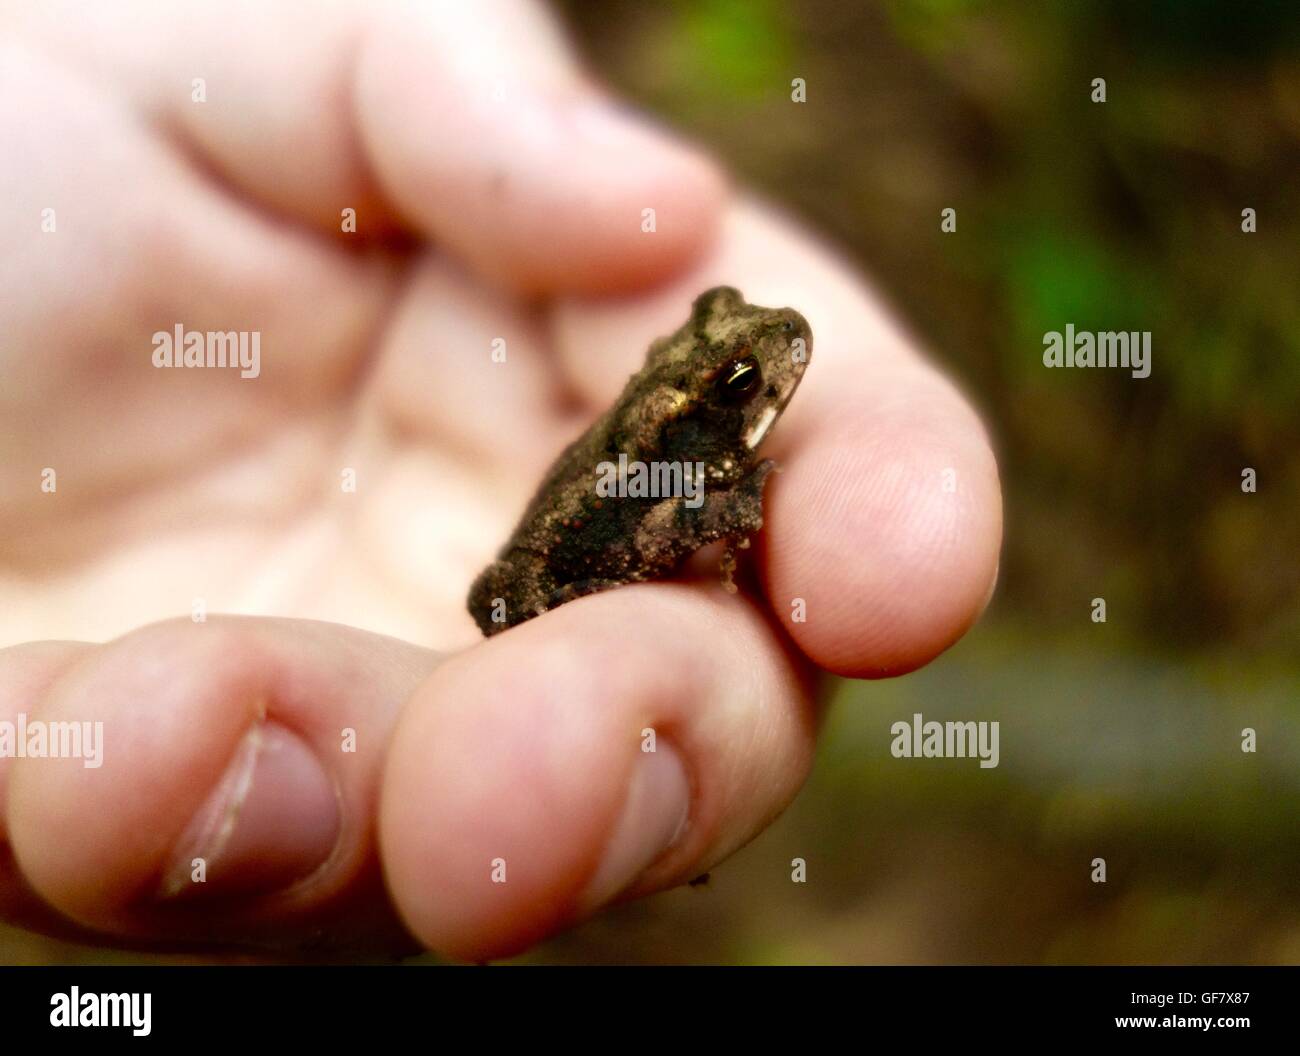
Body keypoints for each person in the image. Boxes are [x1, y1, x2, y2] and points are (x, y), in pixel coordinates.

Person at [0, 0, 1002, 961]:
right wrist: (738, 512)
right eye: (741, 375)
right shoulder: (684, 460)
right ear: (703, 405)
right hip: (553, 569)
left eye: (744, 369)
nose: (774, 356)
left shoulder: (682, 441)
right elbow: (674, 524)